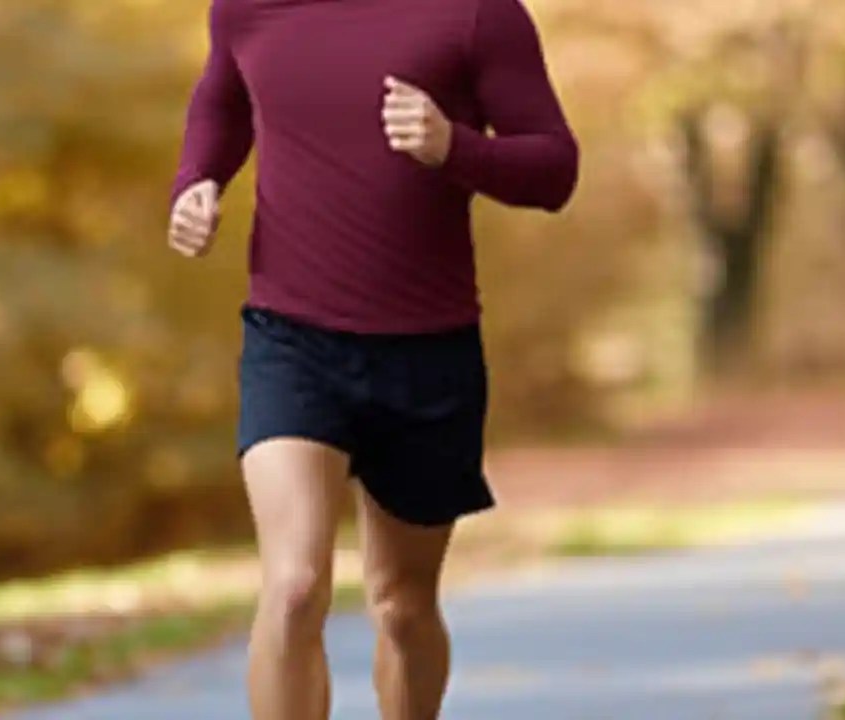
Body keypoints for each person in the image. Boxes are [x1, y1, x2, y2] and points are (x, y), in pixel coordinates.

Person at [166, 0, 579, 717]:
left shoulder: (476, 14)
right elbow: (223, 100)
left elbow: (554, 167)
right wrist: (198, 180)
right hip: (290, 339)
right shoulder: (248, 7)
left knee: (402, 606)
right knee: (294, 587)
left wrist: (455, 146)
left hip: (428, 349)